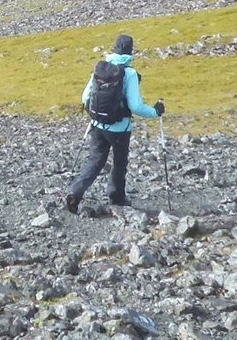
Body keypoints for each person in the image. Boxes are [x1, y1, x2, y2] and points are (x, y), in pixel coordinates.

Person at [64, 33, 163, 214]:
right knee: (119, 163)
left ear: (115, 48)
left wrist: (96, 116)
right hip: (120, 128)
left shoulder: (101, 68)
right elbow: (135, 106)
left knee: (95, 160)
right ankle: (116, 198)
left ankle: (75, 192)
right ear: (130, 51)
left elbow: (85, 97)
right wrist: (155, 112)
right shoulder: (129, 73)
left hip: (97, 124)